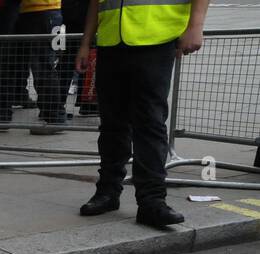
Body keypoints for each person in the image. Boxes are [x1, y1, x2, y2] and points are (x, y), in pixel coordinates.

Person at [75, 0, 210, 227]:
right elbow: (96, 3)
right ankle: (107, 192)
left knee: (150, 123)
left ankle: (152, 201)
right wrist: (86, 43)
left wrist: (195, 26)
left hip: (156, 38)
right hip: (111, 42)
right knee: (111, 124)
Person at [15, 0, 69, 132]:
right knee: (42, 65)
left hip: (42, 10)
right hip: (38, 11)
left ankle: (55, 117)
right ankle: (52, 114)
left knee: (43, 66)